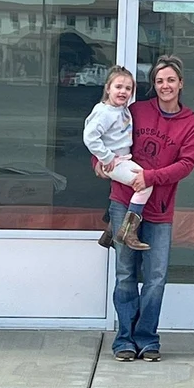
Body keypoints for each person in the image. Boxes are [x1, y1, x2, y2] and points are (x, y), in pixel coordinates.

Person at [103, 54, 194, 363]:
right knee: (125, 273)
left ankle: (147, 338)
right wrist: (100, 162)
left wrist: (150, 177)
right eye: (159, 81)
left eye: (171, 80)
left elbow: (186, 164)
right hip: (123, 202)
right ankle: (124, 340)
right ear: (153, 85)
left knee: (156, 277)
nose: (165, 86)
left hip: (159, 209)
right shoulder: (135, 111)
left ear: (181, 84)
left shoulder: (191, 123)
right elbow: (109, 138)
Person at [82, 65, 152, 251]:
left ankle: (111, 231)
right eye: (118, 87)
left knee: (133, 189)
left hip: (123, 159)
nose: (123, 91)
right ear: (108, 88)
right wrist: (105, 158)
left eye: (128, 88)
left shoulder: (121, 109)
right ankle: (128, 231)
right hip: (114, 161)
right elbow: (90, 137)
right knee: (145, 184)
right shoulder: (105, 112)